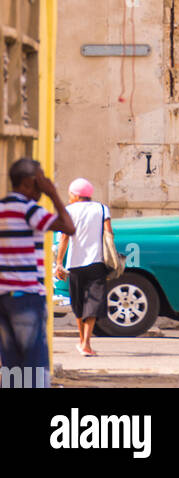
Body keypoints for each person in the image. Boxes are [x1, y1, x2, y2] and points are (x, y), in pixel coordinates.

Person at [0, 158, 75, 388]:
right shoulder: (29, 210)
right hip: (27, 296)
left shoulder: (2, 208)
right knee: (33, 364)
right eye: (41, 179)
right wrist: (53, 194)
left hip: (3, 296)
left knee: (11, 365)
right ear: (29, 182)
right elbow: (69, 227)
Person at [55, 177, 113, 359]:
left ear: (75, 194)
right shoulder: (102, 209)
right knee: (93, 304)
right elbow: (109, 233)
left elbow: (64, 238)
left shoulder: (68, 211)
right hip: (97, 262)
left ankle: (84, 342)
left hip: (75, 263)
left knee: (78, 304)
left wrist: (58, 262)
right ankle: (85, 342)